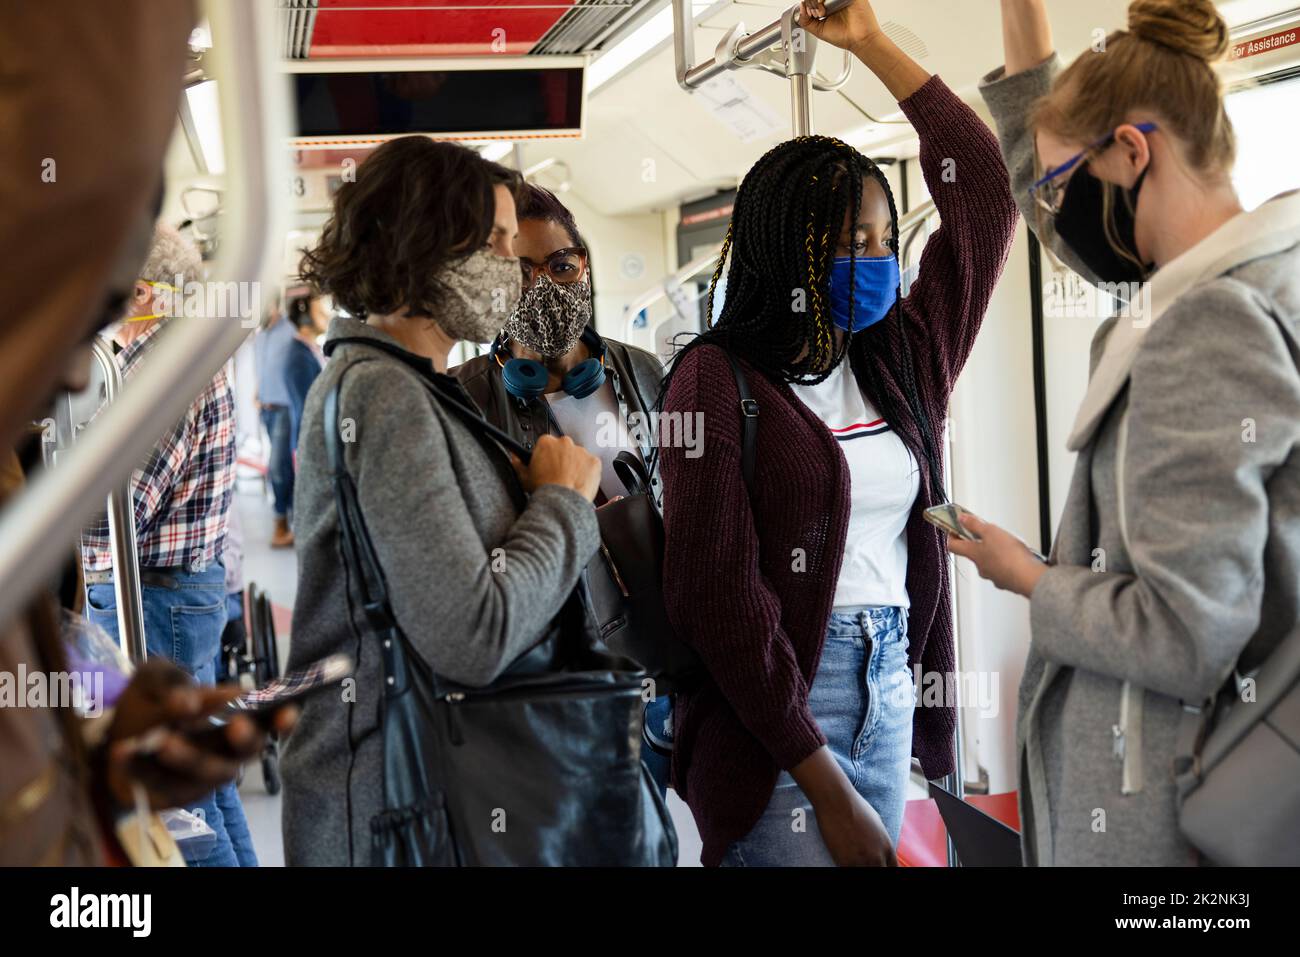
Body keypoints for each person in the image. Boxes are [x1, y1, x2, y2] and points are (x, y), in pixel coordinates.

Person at [657, 0, 1019, 867]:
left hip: (888, 676)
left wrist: (873, 47)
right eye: (851, 239)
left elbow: (986, 195)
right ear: (788, 253)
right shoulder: (715, 380)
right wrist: (821, 780)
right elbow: (718, 593)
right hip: (777, 705)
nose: (876, 256)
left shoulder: (904, 352)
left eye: (885, 237)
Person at [950, 0, 1300, 866]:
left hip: (1170, 819)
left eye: (1068, 187)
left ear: (1134, 152)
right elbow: (1050, 169)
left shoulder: (1203, 325)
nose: (1058, 216)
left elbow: (1186, 634)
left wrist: (1031, 579)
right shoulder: (1269, 274)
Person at [0, 0, 291, 867]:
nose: (83, 372)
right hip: (191, 577)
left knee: (204, 787)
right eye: (73, 321)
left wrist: (100, 759)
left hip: (170, 584)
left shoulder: (171, 366)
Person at [282, 135, 604, 866]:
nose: (511, 273)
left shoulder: (409, 386)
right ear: (425, 243)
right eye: (494, 244)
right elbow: (475, 632)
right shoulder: (384, 395)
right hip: (390, 807)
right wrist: (564, 504)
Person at [450, 184, 673, 791]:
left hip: (659, 664)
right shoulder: (460, 400)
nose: (542, 284)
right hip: (546, 680)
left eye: (560, 264)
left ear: (585, 265)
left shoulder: (643, 372)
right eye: (519, 271)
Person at [81, 224, 259, 867]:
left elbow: (112, 518)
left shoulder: (156, 373)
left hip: (151, 598)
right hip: (182, 593)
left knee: (172, 796)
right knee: (207, 784)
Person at [254, 298, 298, 548]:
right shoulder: (261, 337)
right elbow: (264, 370)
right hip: (266, 408)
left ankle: (281, 524)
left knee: (278, 468)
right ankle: (292, 522)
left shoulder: (290, 333)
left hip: (285, 408)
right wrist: (257, 392)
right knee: (282, 468)